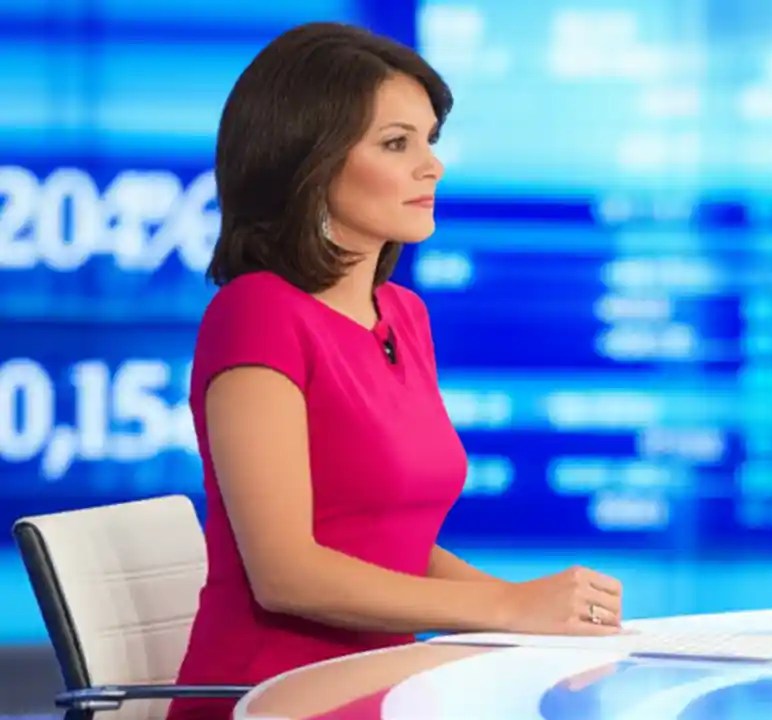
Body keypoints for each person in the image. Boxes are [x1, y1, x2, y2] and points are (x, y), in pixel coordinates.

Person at [166, 22, 623, 719]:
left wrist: (531, 610)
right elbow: (287, 575)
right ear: (308, 162)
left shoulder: (402, 314)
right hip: (271, 696)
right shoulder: (256, 313)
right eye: (396, 143)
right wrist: (503, 605)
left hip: (387, 686)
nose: (431, 166)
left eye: (429, 141)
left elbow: (388, 540)